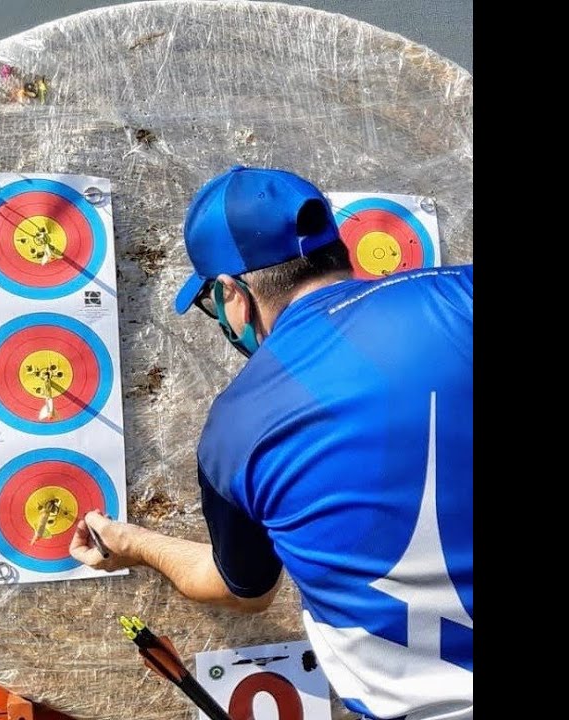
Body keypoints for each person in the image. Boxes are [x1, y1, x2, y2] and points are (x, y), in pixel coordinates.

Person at [69, 166, 473, 720]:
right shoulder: (462, 292)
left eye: (213, 305)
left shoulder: (237, 428)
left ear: (232, 293)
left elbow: (243, 589)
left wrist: (132, 544)